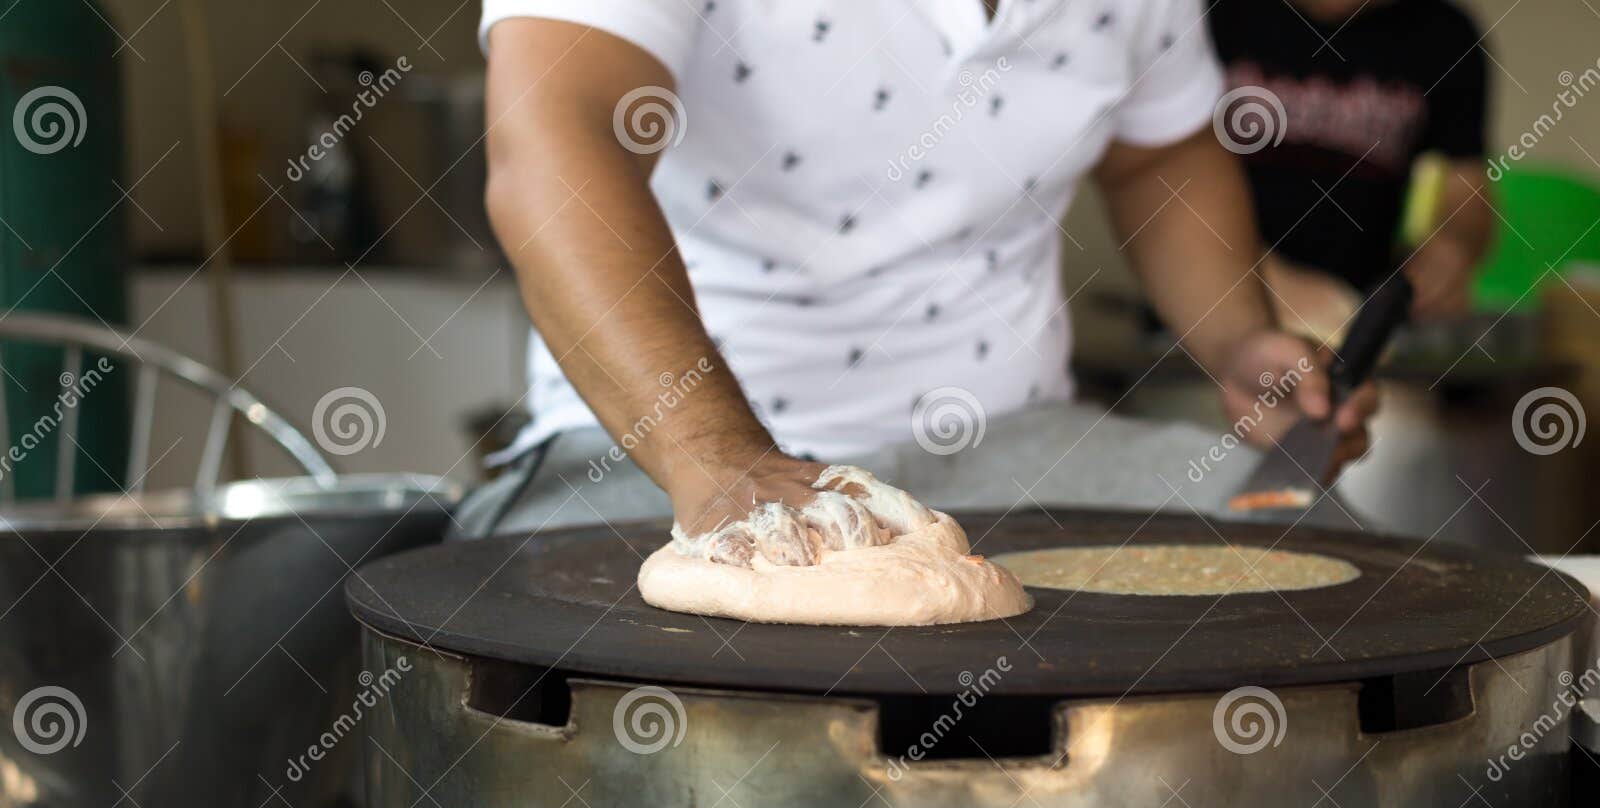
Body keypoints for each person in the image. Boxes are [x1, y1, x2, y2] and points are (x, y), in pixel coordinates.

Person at [460, 1, 1380, 558]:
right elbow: (554, 148)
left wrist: (1234, 333)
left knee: (1320, 559)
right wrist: (718, 457)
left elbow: (1159, 157)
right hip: (655, 454)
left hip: (1021, 442)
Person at [1209, 0, 1494, 335]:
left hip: (1362, 329)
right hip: (1205, 318)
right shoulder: (1209, 14)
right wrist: (1258, 278)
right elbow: (1164, 185)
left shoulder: (1446, 33)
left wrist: (1452, 248)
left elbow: (1467, 189)